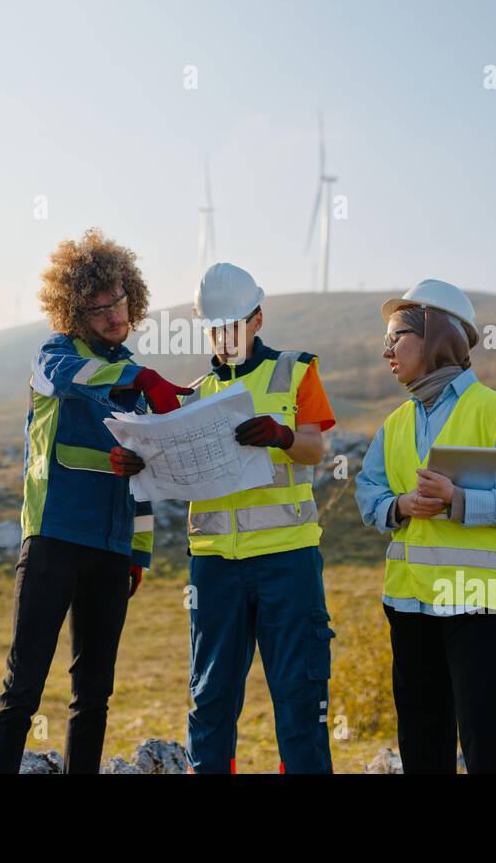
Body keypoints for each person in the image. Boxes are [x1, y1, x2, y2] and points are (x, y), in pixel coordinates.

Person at [0, 228, 192, 773]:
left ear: (133, 295)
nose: (112, 315)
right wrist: (142, 374)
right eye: (97, 308)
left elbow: (144, 474)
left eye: (118, 301)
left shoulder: (133, 374)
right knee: (23, 687)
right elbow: (67, 379)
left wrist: (139, 554)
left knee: (94, 694)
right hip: (54, 538)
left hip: (112, 549)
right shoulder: (54, 356)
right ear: (74, 312)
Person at [113, 262, 337, 773]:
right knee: (210, 700)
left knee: (299, 699)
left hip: (287, 560)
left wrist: (282, 435)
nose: (224, 336)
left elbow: (315, 450)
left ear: (258, 319)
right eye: (215, 327)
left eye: (234, 324)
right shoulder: (193, 396)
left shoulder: (295, 370)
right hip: (213, 567)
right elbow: (171, 473)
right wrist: (141, 461)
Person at [354, 279, 496, 774]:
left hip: (482, 602)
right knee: (420, 737)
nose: (385, 351)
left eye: (396, 337)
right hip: (411, 602)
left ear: (437, 335)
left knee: (484, 737)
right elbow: (367, 493)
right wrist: (399, 505)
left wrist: (459, 501)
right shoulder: (395, 422)